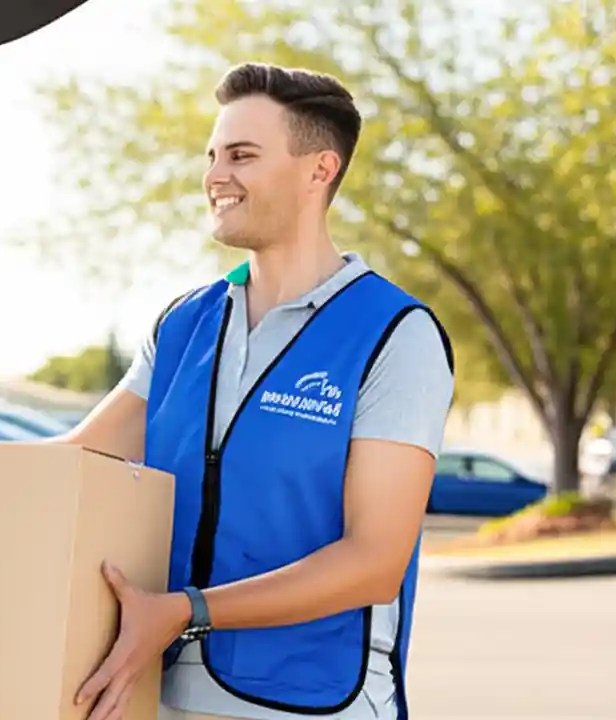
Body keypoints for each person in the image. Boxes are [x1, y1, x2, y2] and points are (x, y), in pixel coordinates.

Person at [64, 63, 455, 720]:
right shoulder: (183, 324)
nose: (215, 176)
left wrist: (188, 612)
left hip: (314, 702)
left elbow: (375, 561)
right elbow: (73, 459)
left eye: (242, 155)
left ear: (318, 170)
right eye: (213, 155)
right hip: (156, 695)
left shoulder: (393, 334)